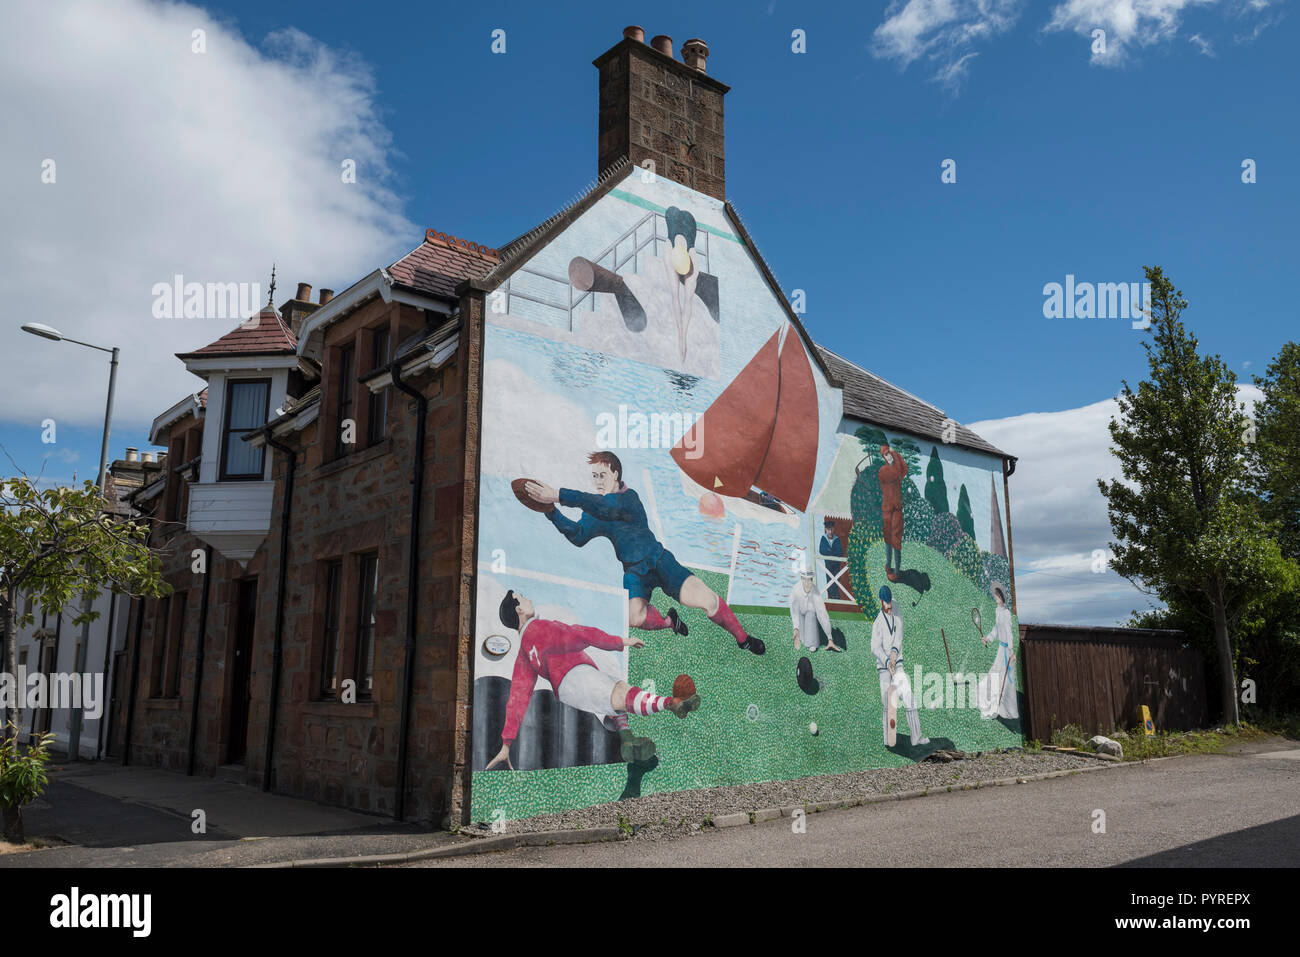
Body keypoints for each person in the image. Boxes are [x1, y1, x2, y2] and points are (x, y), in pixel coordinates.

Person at [526, 450, 765, 655]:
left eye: (603, 475)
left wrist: (558, 495)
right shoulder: (594, 509)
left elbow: (608, 509)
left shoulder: (628, 498)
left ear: (616, 475)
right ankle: (670, 621)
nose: (598, 481)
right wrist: (550, 511)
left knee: (708, 601)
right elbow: (578, 535)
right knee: (634, 619)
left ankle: (743, 639)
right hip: (634, 572)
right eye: (595, 476)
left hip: (659, 560)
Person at [483, 589, 701, 770]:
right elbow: (580, 634)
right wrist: (622, 641)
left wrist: (506, 743)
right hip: (577, 676)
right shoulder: (540, 628)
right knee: (621, 695)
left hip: (569, 691)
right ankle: (671, 703)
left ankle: (628, 739)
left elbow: (518, 696)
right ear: (519, 609)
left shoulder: (524, 651)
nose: (528, 598)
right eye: (522, 597)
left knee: (617, 698)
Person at [870, 585, 929, 747]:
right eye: (886, 604)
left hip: (898, 664)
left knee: (909, 698)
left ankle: (916, 738)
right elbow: (875, 647)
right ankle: (888, 739)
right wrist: (887, 660)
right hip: (884, 668)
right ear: (881, 602)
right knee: (887, 702)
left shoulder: (895, 607)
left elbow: (899, 630)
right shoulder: (877, 623)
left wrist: (895, 653)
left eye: (890, 603)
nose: (889, 607)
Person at [977, 584, 1018, 720]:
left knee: (1004, 680)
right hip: (1001, 648)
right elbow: (996, 628)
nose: (996, 599)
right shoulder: (998, 611)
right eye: (995, 597)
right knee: (995, 676)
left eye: (997, 596)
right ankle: (992, 705)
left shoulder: (1006, 614)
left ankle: (1002, 709)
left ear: (1001, 597)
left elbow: (1009, 633)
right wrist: (988, 638)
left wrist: (1011, 653)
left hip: (1006, 651)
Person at [877, 444, 908, 583]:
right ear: (883, 457)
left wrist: (895, 453)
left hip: (896, 510)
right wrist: (895, 456)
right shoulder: (883, 471)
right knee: (888, 538)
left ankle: (897, 571)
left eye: (889, 453)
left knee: (896, 538)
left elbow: (904, 469)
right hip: (887, 510)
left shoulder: (896, 469)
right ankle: (889, 567)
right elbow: (896, 472)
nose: (888, 456)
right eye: (886, 455)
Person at [790, 567, 840, 652]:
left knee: (811, 614)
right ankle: (801, 635)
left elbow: (822, 613)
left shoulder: (815, 592)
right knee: (803, 639)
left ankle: (812, 642)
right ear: (801, 579)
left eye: (809, 580)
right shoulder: (796, 590)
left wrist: (830, 638)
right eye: (804, 579)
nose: (807, 583)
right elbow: (794, 610)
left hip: (810, 613)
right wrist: (796, 628)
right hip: (800, 613)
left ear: (812, 580)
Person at [819, 518, 845, 599]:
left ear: (834, 529)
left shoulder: (836, 540)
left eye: (831, 529)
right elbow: (822, 551)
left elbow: (840, 552)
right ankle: (832, 599)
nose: (830, 531)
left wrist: (829, 551)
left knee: (836, 583)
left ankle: (836, 600)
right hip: (828, 565)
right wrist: (833, 552)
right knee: (829, 582)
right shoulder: (823, 539)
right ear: (825, 530)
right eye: (828, 529)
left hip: (836, 565)